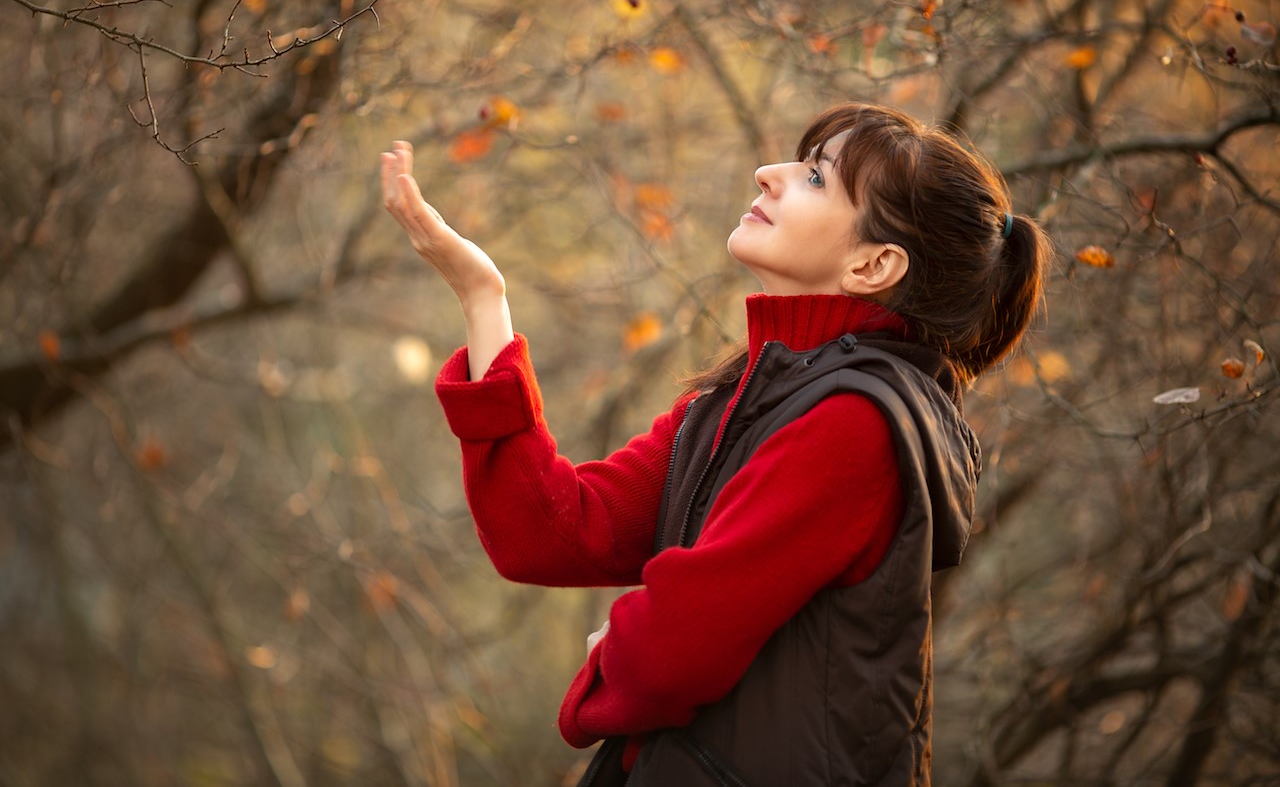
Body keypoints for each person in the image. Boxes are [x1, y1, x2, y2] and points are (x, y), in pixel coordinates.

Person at [380, 102, 1050, 786]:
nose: (767, 174)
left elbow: (673, 647)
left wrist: (614, 657)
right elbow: (549, 530)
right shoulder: (741, 403)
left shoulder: (857, 424)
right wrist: (483, 297)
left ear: (874, 264)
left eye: (816, 178)